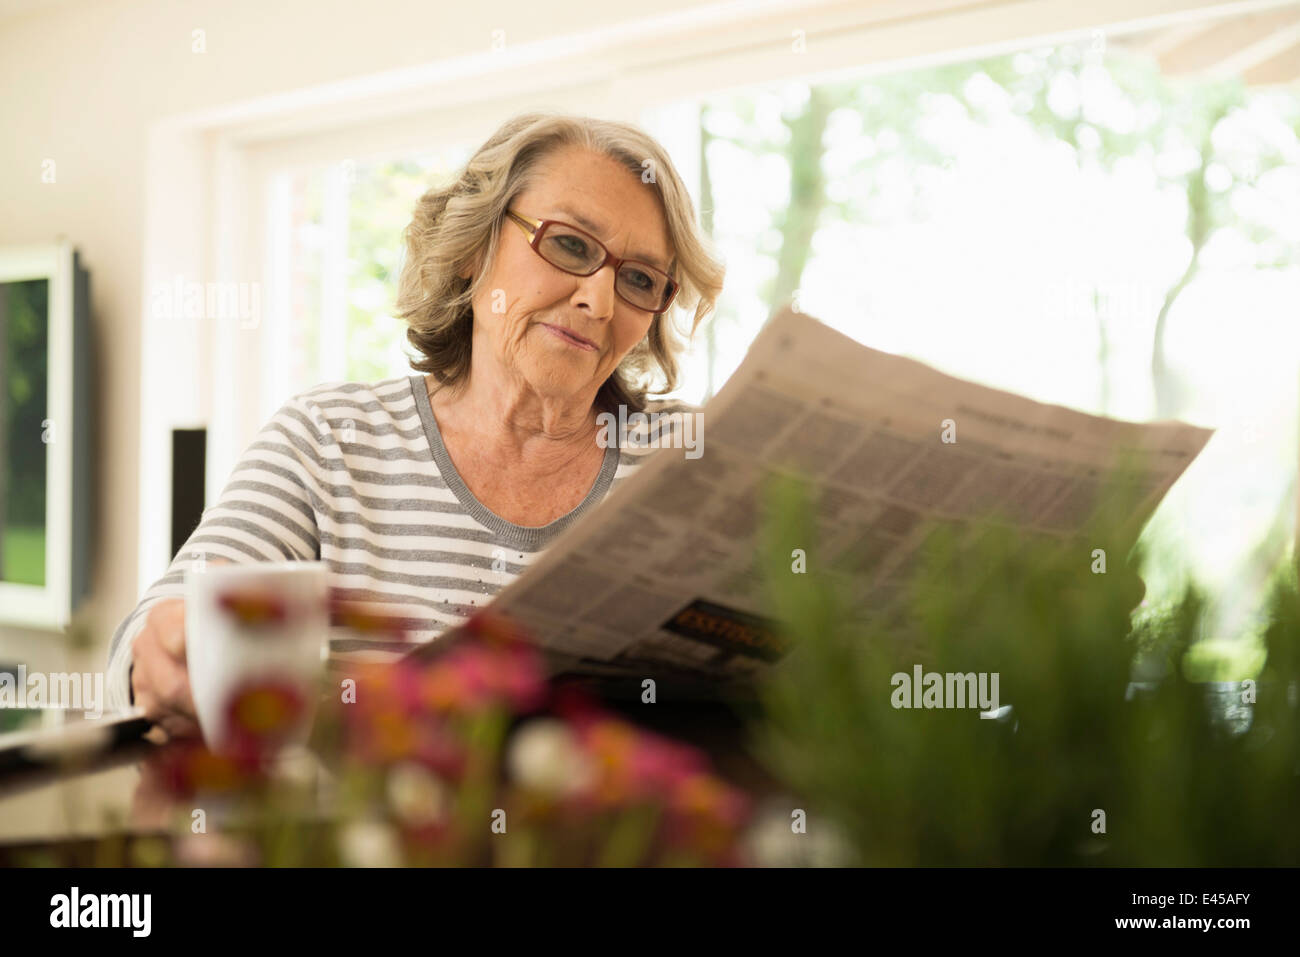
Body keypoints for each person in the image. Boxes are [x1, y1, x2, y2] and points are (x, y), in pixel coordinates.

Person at [105, 111, 727, 739]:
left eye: (641, 279)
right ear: (474, 249)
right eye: (569, 244)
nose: (599, 301)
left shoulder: (693, 459)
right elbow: (157, 630)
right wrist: (160, 658)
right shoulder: (328, 441)